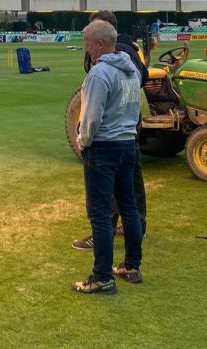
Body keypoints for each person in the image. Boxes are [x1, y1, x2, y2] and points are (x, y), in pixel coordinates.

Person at [71, 20, 144, 295]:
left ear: (100, 44)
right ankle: (131, 266)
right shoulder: (130, 69)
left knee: (100, 215)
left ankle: (102, 277)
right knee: (129, 207)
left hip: (104, 148)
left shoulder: (99, 74)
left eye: (88, 44)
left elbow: (91, 118)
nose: (86, 49)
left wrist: (83, 143)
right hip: (128, 145)